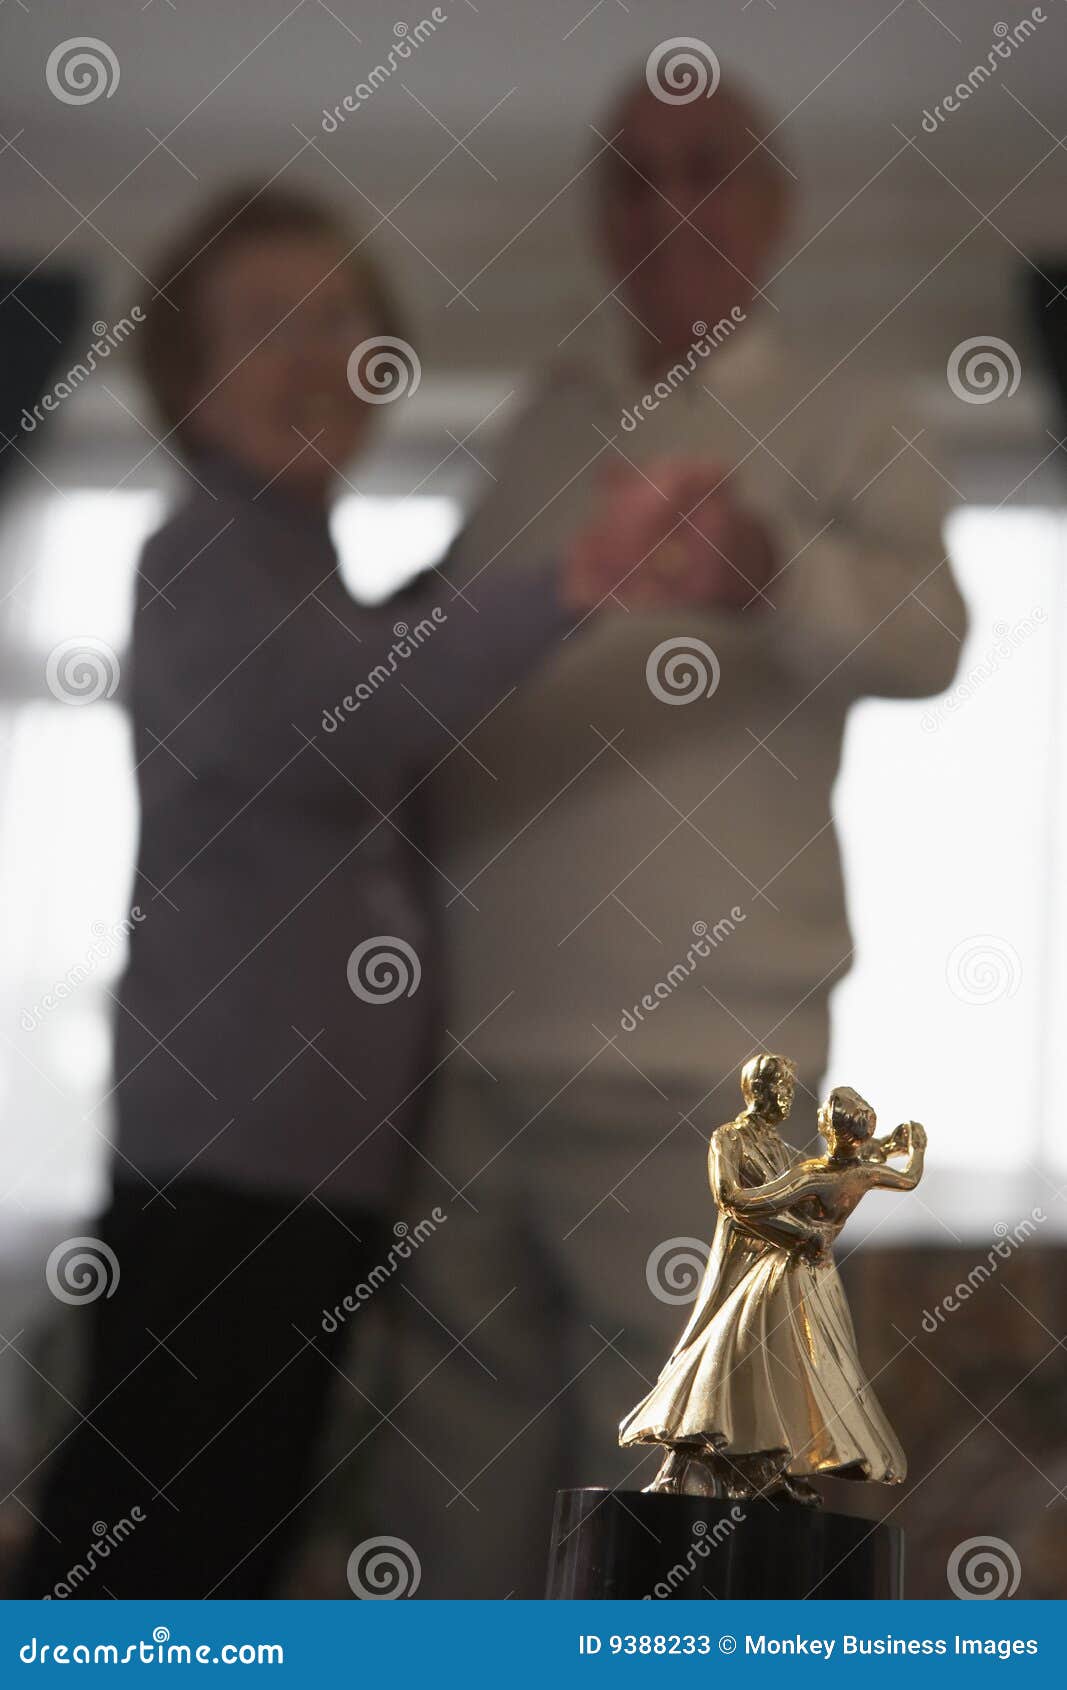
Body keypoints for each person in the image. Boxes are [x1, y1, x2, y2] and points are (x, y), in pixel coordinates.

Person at [12, 187, 739, 1599]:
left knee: (231, 1533)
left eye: (338, 318)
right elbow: (326, 716)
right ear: (186, 379)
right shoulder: (201, 552)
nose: (313, 353)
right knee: (160, 1549)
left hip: (308, 1172)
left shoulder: (309, 574)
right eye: (264, 325)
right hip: (223, 1168)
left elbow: (373, 675)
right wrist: (572, 581)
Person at [377, 70, 967, 1596]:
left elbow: (927, 641)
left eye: (701, 169)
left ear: (771, 205)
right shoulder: (539, 423)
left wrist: (770, 566)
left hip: (706, 1081)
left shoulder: (850, 416)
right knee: (453, 1525)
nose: (661, 210)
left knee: (687, 1537)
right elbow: (443, 665)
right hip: (471, 1064)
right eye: (628, 179)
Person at [620, 1055, 925, 1503]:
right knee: (725, 1354)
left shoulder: (785, 1153)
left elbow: (835, 1169)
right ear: (755, 1091)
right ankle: (693, 1464)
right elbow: (734, 1199)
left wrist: (885, 1147)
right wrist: (801, 1232)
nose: (785, 1097)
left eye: (788, 1088)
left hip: (796, 1269)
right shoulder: (730, 1138)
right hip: (750, 1261)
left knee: (779, 1364)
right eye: (777, 1088)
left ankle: (762, 1465)